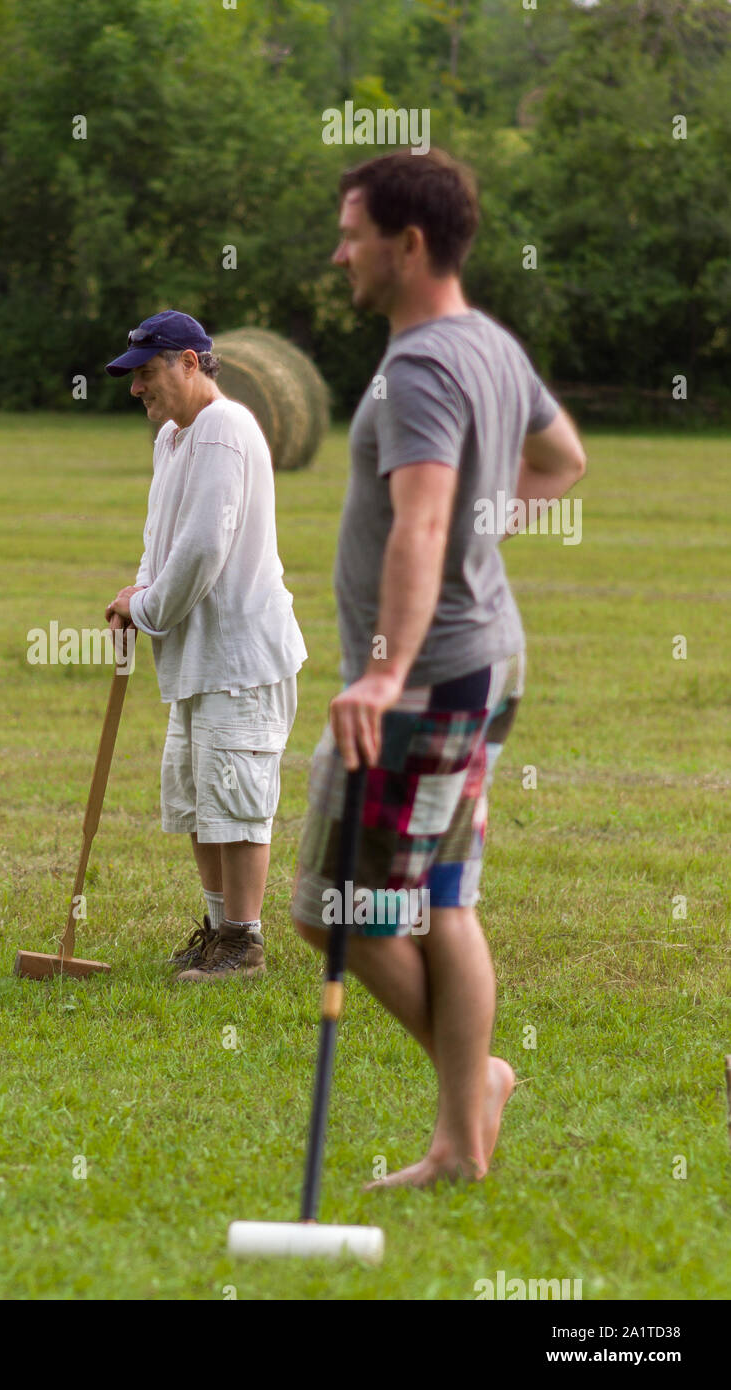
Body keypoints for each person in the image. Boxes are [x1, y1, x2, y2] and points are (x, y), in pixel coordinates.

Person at [290, 151, 587, 1185]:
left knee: (340, 901)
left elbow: (420, 523)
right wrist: (483, 536)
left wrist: (383, 673)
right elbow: (561, 460)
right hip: (483, 662)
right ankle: (461, 1144)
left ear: (405, 244)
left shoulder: (420, 365)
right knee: (442, 900)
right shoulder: (489, 345)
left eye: (352, 232)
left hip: (423, 683)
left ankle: (475, 1092)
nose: (339, 253)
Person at [105, 311, 307, 982]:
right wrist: (139, 591)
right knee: (198, 795)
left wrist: (148, 606)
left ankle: (243, 944)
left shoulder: (225, 428)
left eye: (147, 372)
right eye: (132, 377)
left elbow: (204, 547)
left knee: (237, 792)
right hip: (197, 655)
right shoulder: (173, 438)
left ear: (191, 363)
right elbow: (162, 536)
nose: (137, 388)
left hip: (241, 655)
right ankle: (220, 931)